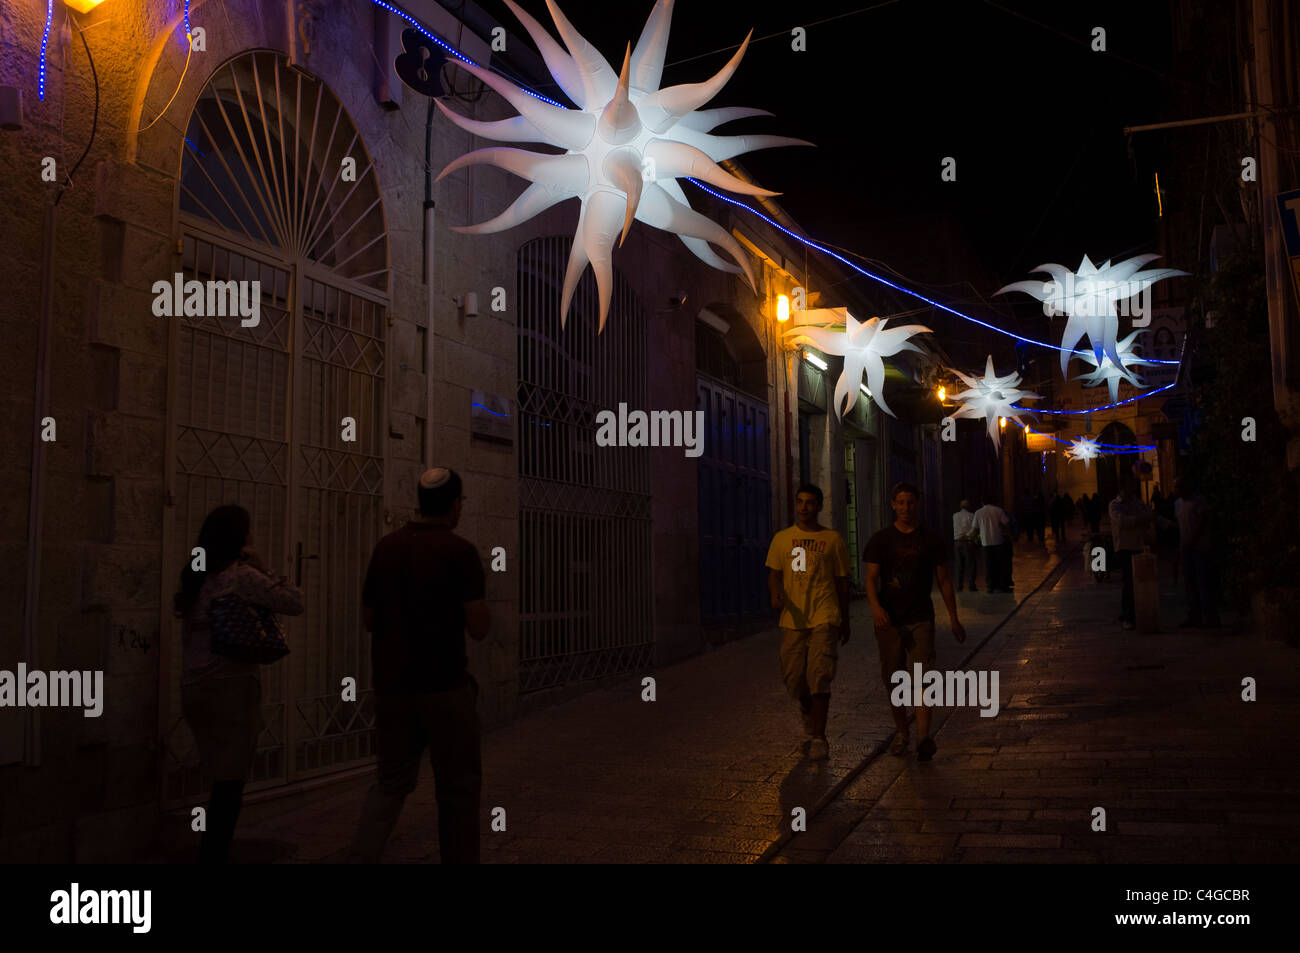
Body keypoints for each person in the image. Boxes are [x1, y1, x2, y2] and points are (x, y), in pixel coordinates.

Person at [349, 467, 489, 863]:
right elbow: (478, 627)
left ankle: (359, 857)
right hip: (445, 689)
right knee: (458, 789)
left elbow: (369, 619)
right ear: (455, 505)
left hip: (393, 689)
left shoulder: (386, 547)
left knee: (390, 784)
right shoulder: (460, 552)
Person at [174, 504, 305, 863]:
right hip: (231, 687)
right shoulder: (241, 575)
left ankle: (212, 848)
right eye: (248, 531)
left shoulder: (195, 575)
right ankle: (214, 853)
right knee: (231, 782)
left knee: (217, 775)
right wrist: (262, 565)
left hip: (194, 687)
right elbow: (294, 601)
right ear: (239, 538)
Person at [864, 482, 967, 761]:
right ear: (893, 505)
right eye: (900, 502)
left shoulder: (931, 540)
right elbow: (871, 579)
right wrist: (875, 608)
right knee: (894, 679)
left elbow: (944, 580)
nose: (905, 507)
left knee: (923, 677)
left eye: (910, 502)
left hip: (921, 617)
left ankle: (923, 736)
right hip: (889, 621)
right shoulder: (880, 540)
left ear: (917, 504)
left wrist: (954, 618)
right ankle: (902, 732)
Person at [765, 484, 851, 762]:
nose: (804, 507)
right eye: (800, 502)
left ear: (819, 506)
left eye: (810, 503)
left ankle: (818, 737)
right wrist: (775, 592)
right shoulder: (781, 539)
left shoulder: (832, 540)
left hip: (824, 615)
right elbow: (774, 574)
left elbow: (841, 582)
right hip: (793, 618)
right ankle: (808, 710)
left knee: (820, 675)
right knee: (795, 680)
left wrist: (845, 619)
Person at [1108, 479, 1156, 630]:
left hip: (1137, 545)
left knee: (1136, 582)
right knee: (1129, 581)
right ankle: (1128, 615)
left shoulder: (1137, 503)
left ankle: (1132, 613)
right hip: (1123, 547)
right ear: (1122, 489)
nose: (1132, 491)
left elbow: (1148, 515)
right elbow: (1122, 522)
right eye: (1129, 487)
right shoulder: (1114, 505)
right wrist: (1141, 519)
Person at [1175, 475, 1221, 628]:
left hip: (1200, 548)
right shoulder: (1179, 504)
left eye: (1179, 486)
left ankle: (1210, 616)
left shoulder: (1199, 501)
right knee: (1190, 583)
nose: (1177, 490)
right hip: (1187, 549)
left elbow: (1204, 520)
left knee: (1203, 583)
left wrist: (1193, 539)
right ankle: (1194, 615)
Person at [973, 498, 1012, 592]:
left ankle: (990, 586)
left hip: (986, 542)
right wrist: (1007, 534)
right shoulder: (998, 510)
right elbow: (1006, 523)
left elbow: (975, 528)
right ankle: (1002, 586)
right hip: (998, 541)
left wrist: (976, 539)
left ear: (982, 502)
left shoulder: (978, 512)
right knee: (1000, 564)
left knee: (988, 565)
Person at [952, 499, 978, 592]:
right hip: (968, 542)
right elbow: (974, 528)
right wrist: (967, 535)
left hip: (957, 542)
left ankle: (959, 586)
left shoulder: (954, 516)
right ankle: (971, 586)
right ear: (968, 506)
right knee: (970, 564)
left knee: (959, 565)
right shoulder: (972, 515)